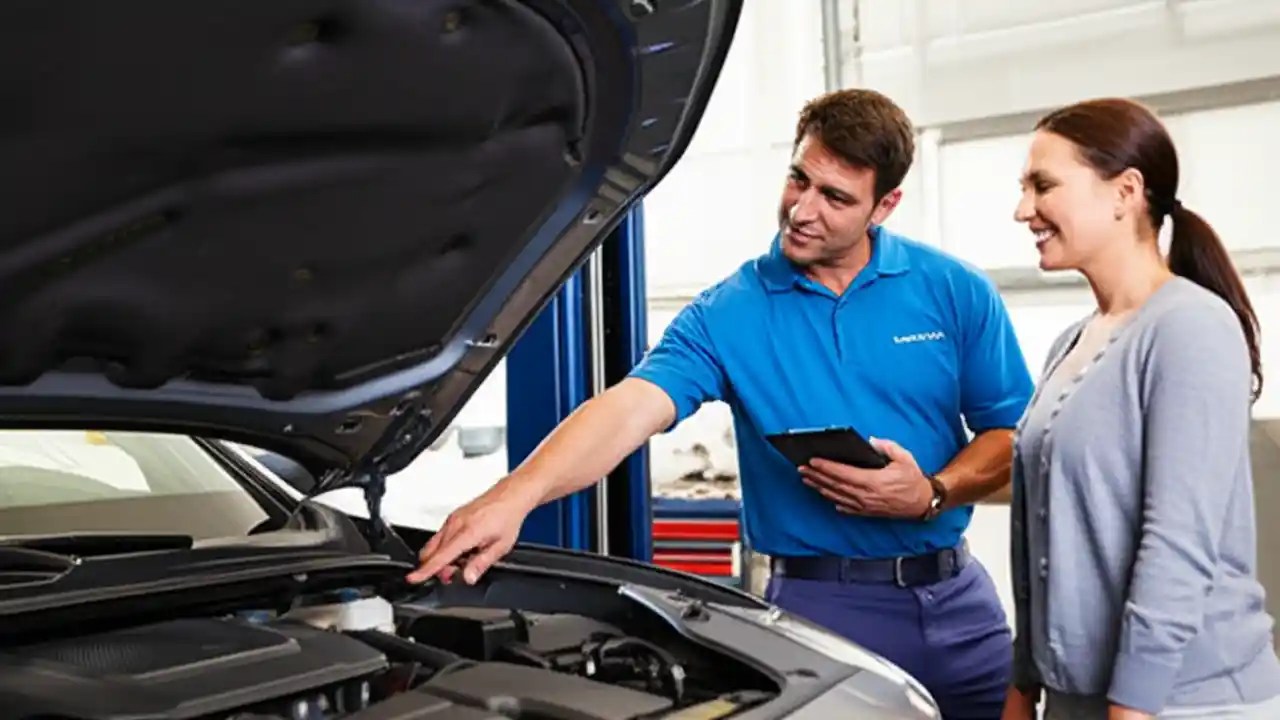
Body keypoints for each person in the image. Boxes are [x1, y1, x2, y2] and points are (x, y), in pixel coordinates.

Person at [409, 88, 1035, 718]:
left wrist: (932, 491)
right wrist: (513, 496)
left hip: (959, 603)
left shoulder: (953, 290)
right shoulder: (729, 311)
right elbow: (630, 407)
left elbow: (1012, 437)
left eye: (836, 197)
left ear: (885, 205)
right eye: (799, 179)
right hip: (824, 611)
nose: (802, 210)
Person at [1002, 97, 1280, 720]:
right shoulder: (1069, 343)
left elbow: (1176, 543)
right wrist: (1023, 683)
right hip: (1077, 699)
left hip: (1182, 703)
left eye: (1043, 186)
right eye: (1023, 188)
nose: (1023, 210)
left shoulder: (1192, 328)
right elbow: (1041, 531)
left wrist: (1131, 708)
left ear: (1125, 191)